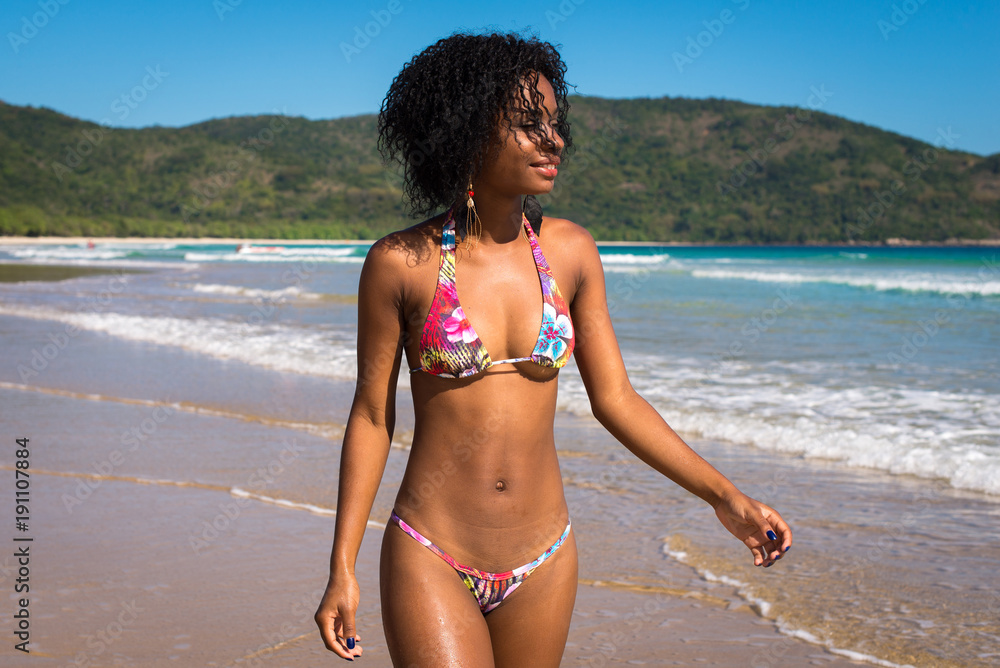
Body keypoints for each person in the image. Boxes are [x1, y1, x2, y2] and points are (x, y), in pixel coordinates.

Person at [315, 31, 792, 666]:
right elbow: (373, 415)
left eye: (555, 123)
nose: (554, 139)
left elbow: (617, 399)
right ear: (467, 131)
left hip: (544, 558)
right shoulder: (402, 263)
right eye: (528, 124)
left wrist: (725, 496)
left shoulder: (569, 253)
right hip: (431, 549)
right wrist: (340, 566)